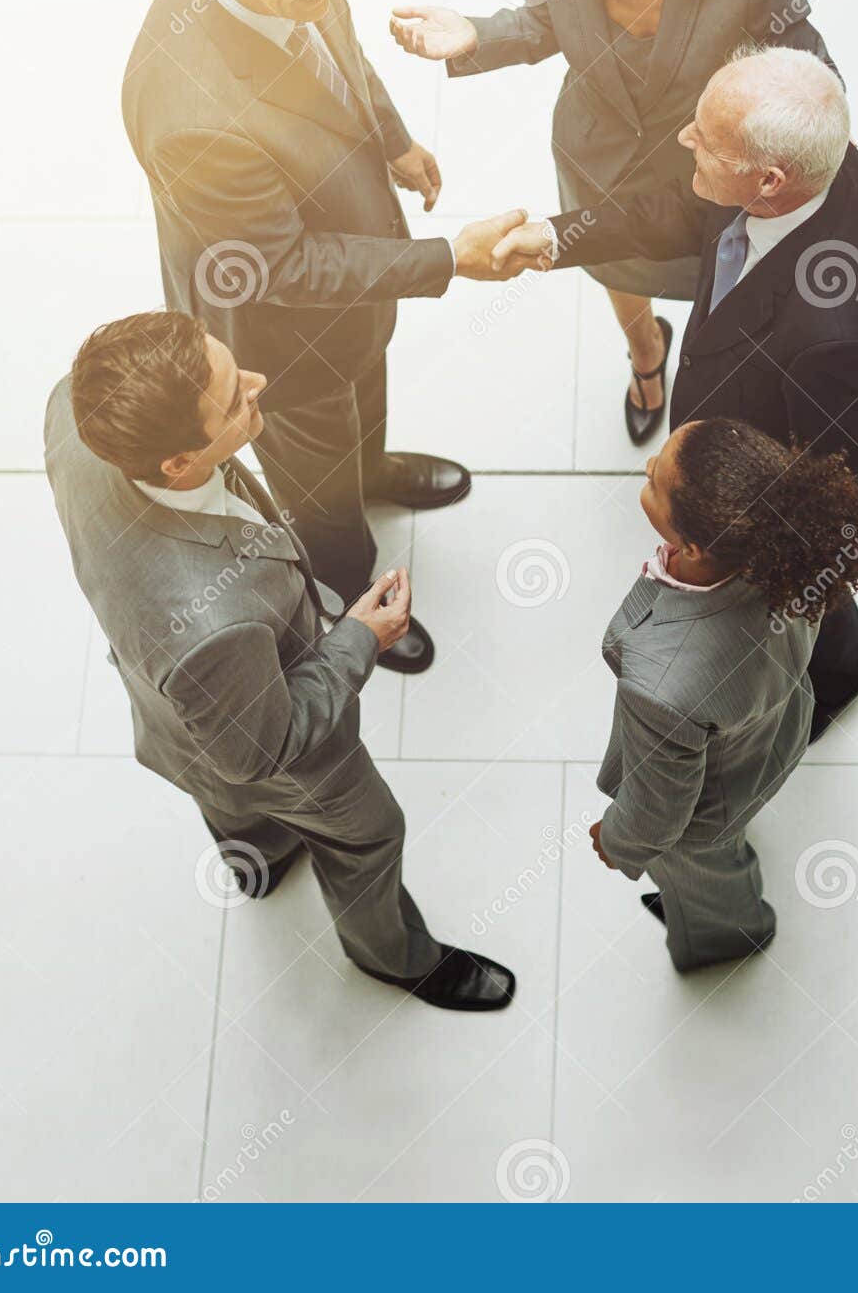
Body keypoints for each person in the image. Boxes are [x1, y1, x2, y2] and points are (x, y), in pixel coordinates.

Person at [122, 0, 528, 674]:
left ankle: (371, 465)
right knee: (318, 483)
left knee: (363, 378)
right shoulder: (192, 113)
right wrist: (451, 257)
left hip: (350, 281)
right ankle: (348, 592)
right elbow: (285, 269)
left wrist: (392, 140)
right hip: (282, 332)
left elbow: (340, 55)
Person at [43, 310, 514, 1012]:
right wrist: (360, 636)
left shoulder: (71, 413)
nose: (259, 384)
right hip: (257, 734)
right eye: (237, 398)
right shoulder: (211, 625)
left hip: (167, 711)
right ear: (178, 464)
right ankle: (395, 956)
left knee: (227, 794)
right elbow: (265, 747)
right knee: (372, 834)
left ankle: (257, 854)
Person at [389, 0, 838, 445]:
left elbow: (813, 86)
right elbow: (549, 22)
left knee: (718, 303)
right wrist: (477, 36)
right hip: (596, 161)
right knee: (615, 271)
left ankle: (707, 391)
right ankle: (646, 359)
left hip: (701, 185)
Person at [491, 44, 858, 741]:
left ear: (771, 180)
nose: (686, 140)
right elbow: (686, 212)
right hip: (732, 423)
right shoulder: (801, 175)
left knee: (810, 620)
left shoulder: (840, 335)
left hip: (764, 499)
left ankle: (834, 672)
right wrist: (558, 236)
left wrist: (756, 546)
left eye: (704, 141)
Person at [591, 418, 858, 972]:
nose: (649, 466)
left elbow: (659, 812)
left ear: (695, 544)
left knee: (707, 875)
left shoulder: (662, 686)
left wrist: (620, 842)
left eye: (657, 481)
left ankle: (727, 938)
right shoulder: (793, 555)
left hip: (707, 809)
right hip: (774, 730)